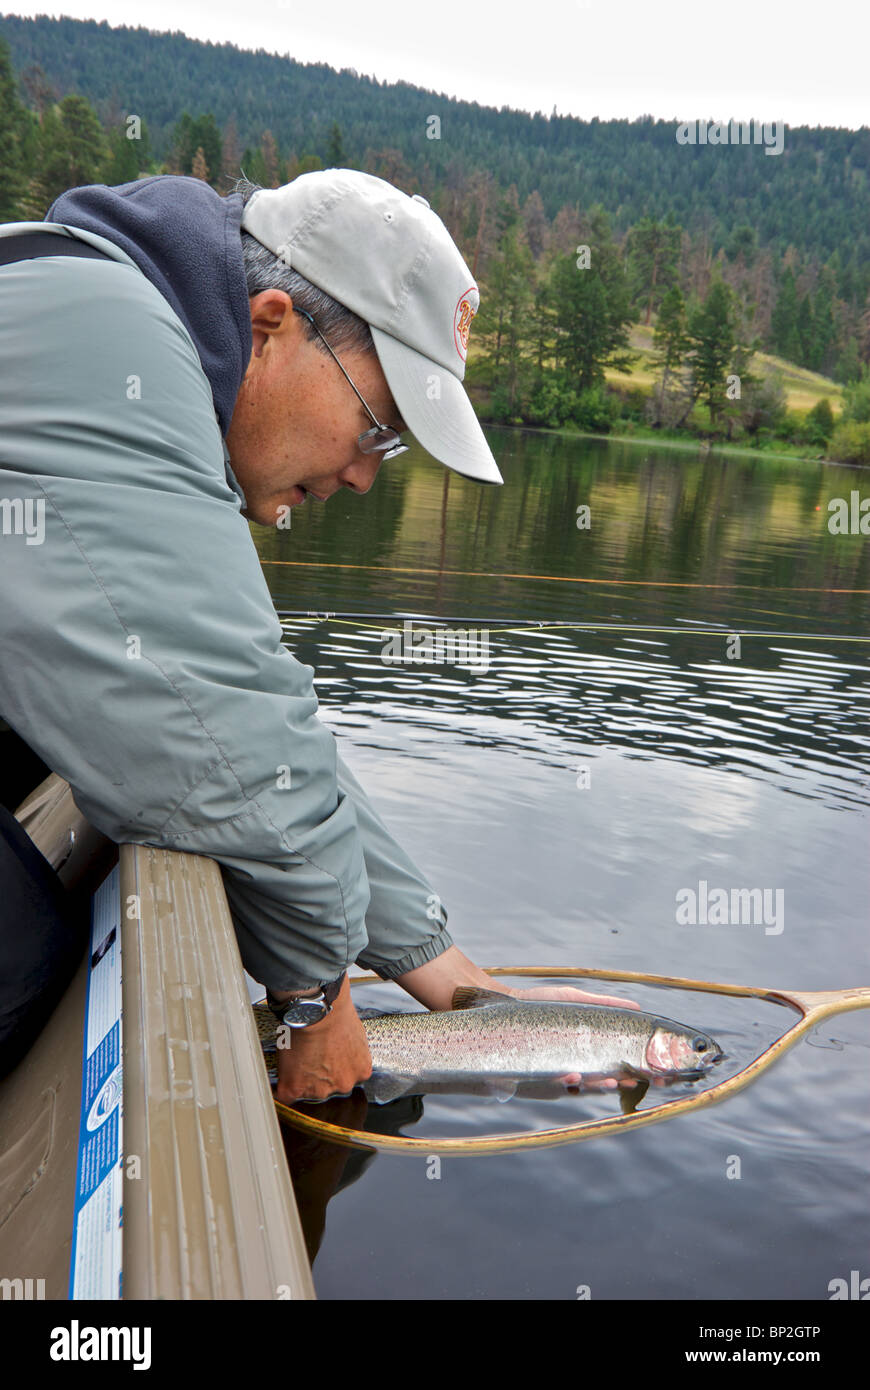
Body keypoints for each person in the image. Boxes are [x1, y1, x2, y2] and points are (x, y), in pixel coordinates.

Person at [0, 168, 636, 1099]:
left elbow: (252, 718)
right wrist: (316, 996)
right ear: (270, 326)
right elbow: (222, 730)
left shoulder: (112, 311)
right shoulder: (110, 347)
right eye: (376, 427)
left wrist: (467, 990)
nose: (366, 478)